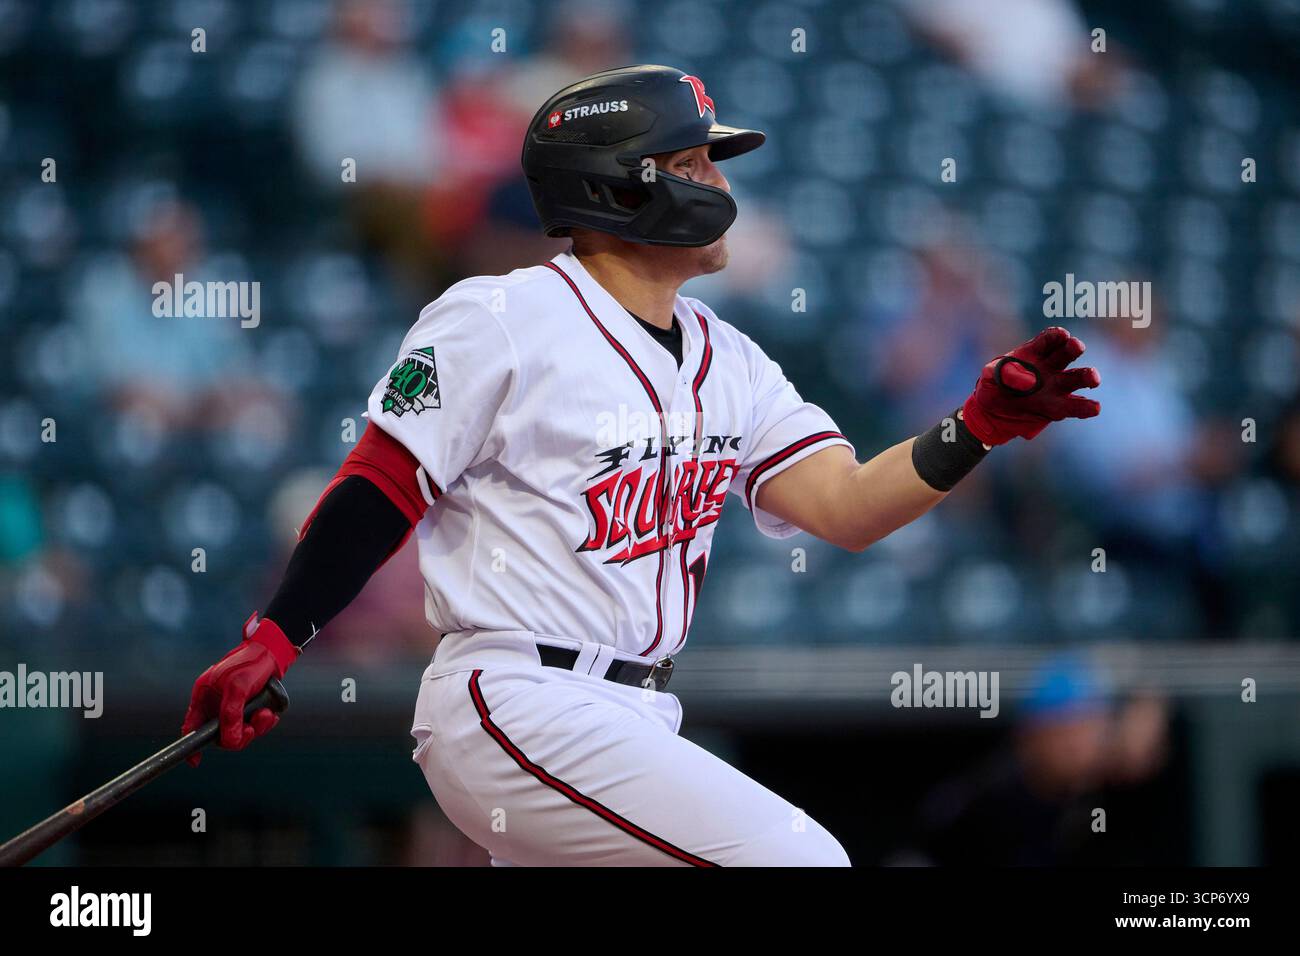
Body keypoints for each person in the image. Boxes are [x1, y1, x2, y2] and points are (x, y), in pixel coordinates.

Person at [180, 65, 1101, 866]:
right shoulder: (502, 317)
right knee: (802, 861)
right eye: (695, 161)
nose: (717, 181)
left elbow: (848, 505)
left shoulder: (731, 357)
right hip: (517, 696)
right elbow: (383, 483)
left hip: (636, 712)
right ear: (623, 186)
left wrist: (974, 427)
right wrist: (276, 634)